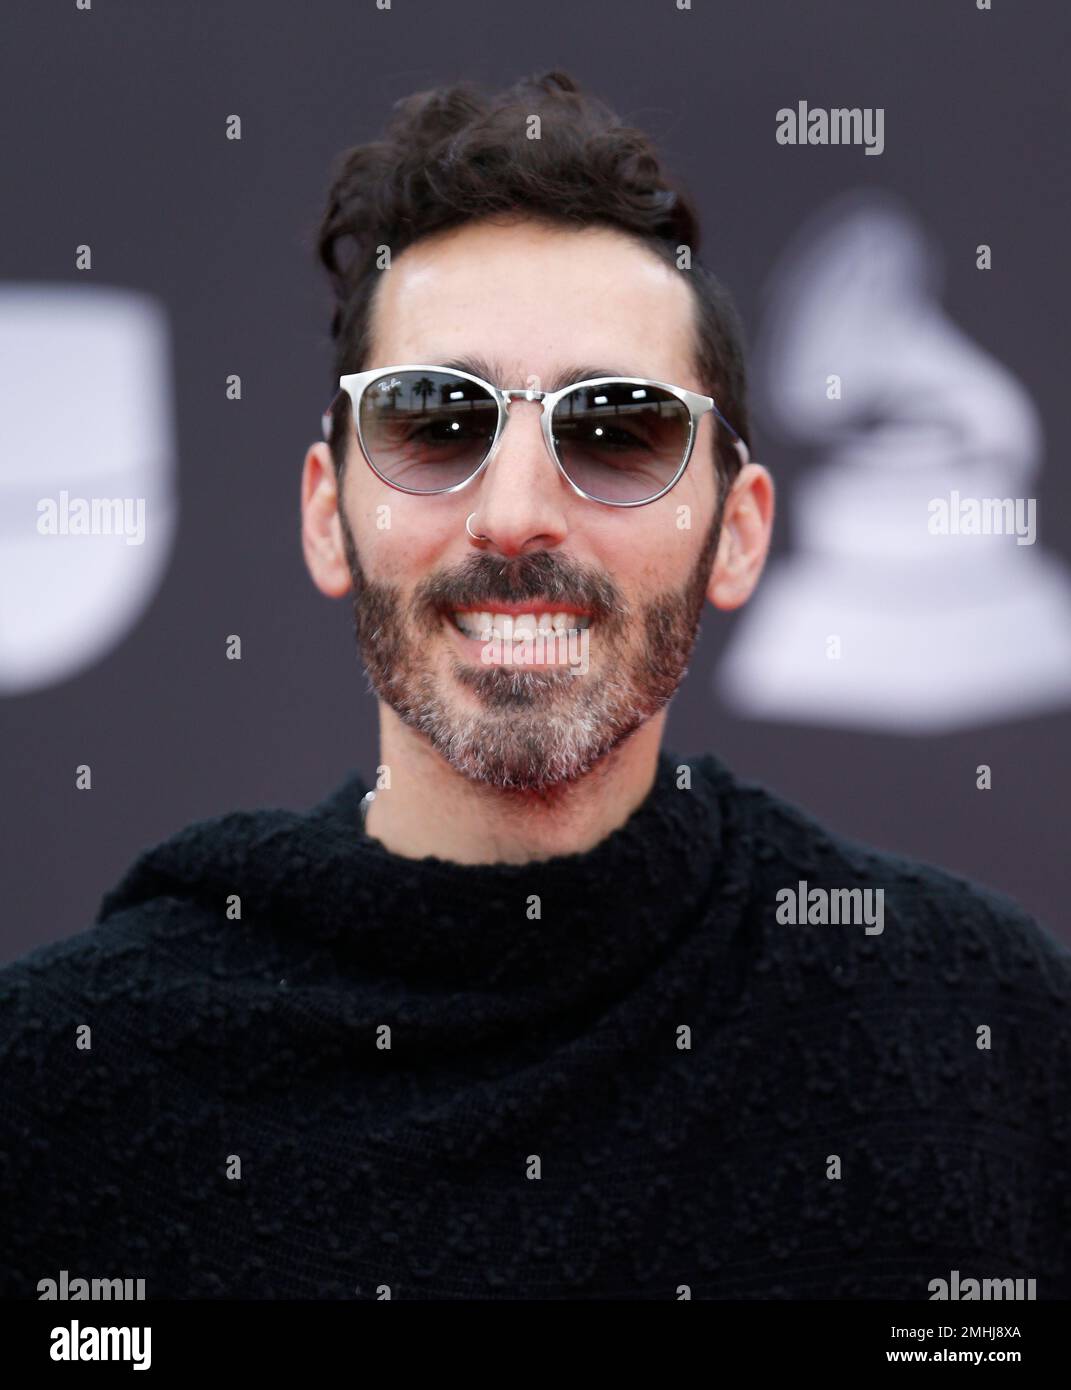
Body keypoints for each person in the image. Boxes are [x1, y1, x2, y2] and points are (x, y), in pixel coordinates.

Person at [2, 70, 1068, 1301]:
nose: (513, 515)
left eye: (617, 429)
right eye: (434, 422)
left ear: (738, 533)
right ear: (326, 516)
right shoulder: (67, 1084)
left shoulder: (979, 1037)